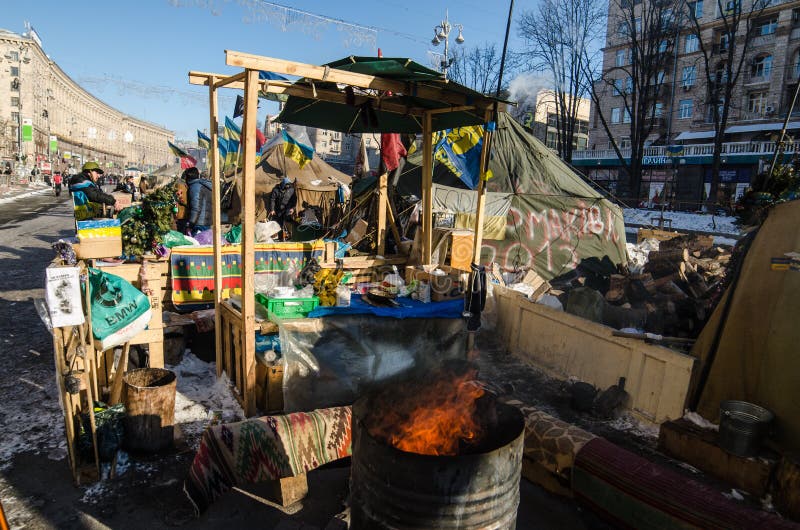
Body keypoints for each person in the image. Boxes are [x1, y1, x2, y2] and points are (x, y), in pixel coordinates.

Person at [185, 168, 212, 235]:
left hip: (199, 224)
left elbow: (196, 208)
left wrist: (190, 224)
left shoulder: (195, 187)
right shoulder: (205, 185)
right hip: (207, 221)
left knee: (197, 244)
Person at [269, 176, 297, 241]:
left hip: (288, 208)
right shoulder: (276, 190)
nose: (288, 186)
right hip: (278, 209)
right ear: (283, 184)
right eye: (287, 185)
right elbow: (272, 199)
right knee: (279, 223)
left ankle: (290, 235)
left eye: (289, 185)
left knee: (288, 220)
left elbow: (294, 200)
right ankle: (281, 237)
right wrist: (272, 209)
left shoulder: (292, 190)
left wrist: (293, 208)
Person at [175, 168, 191, 234]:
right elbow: (182, 198)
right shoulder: (182, 185)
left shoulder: (179, 184)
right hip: (182, 215)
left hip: (181, 215)